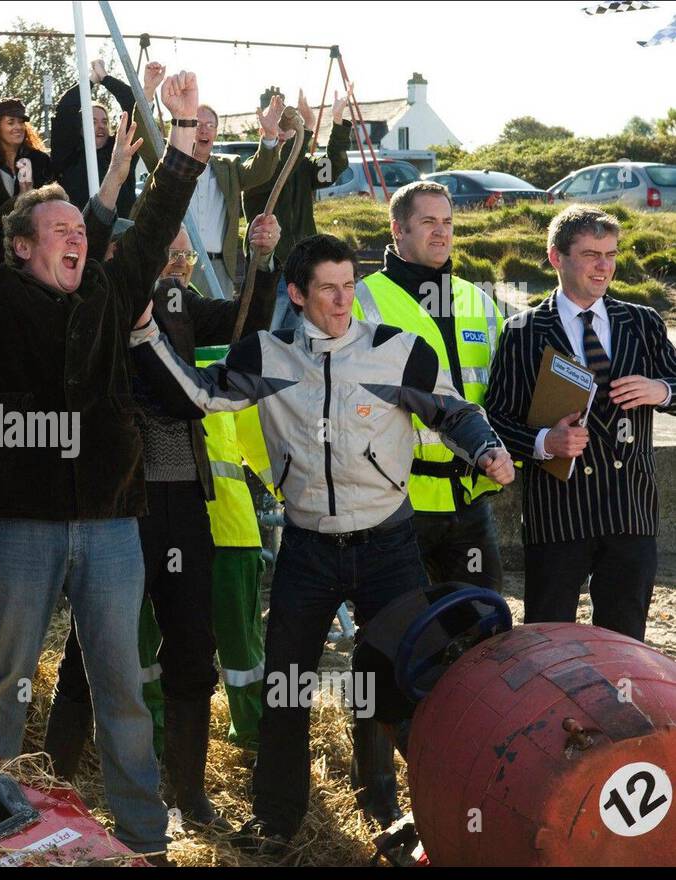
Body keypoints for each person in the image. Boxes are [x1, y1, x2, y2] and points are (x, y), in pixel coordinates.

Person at [128, 233, 514, 851]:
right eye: (328, 290)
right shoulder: (267, 354)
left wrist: (486, 447)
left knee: (409, 683)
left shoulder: (397, 351)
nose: (343, 302)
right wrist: (147, 333)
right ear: (297, 295)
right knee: (285, 689)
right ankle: (277, 823)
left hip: (389, 545)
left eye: (348, 287)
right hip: (308, 549)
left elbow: (451, 411)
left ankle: (425, 821)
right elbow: (197, 395)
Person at [0, 57, 210, 861]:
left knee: (123, 683)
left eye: (82, 232)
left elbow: (156, 219)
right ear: (20, 246)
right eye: (60, 231)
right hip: (22, 521)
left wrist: (188, 136)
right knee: (4, 679)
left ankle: (142, 835)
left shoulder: (109, 293)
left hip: (110, 521)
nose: (78, 239)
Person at [44, 217, 281, 827]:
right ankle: (53, 786)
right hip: (117, 502)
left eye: (171, 252)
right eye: (154, 248)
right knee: (86, 649)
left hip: (180, 503)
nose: (169, 260)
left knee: (192, 648)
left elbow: (245, 323)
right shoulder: (88, 303)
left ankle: (189, 793)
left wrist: (262, 258)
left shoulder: (177, 303)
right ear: (117, 253)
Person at [348, 180, 506, 825]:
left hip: (468, 504)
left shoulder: (478, 300)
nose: (442, 232)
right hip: (397, 504)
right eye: (428, 223)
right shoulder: (363, 298)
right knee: (385, 644)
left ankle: (469, 779)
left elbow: (498, 394)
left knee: (482, 640)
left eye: (448, 222)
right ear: (398, 231)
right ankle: (375, 786)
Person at [486, 205, 676, 643]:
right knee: (548, 640)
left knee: (624, 642)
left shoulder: (643, 322)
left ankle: (613, 713)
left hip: (630, 510)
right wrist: (544, 441)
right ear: (556, 257)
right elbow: (496, 418)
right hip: (558, 512)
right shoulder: (523, 330)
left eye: (611, 254)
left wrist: (659, 391)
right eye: (591, 254)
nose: (604, 266)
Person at [137, 62, 282, 295]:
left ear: (215, 132)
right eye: (197, 124)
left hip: (217, 267)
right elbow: (142, 134)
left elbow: (261, 171)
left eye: (210, 125)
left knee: (214, 327)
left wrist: (270, 137)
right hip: (172, 262)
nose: (203, 130)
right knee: (169, 322)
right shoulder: (169, 162)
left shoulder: (229, 169)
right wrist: (148, 91)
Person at [244, 87, 353, 328]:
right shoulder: (254, 170)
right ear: (263, 130)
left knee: (301, 339)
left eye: (287, 125)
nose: (283, 132)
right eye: (276, 126)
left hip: (303, 271)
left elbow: (331, 169)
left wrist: (337, 122)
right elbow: (279, 170)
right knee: (265, 336)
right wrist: (306, 130)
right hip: (270, 272)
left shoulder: (303, 166)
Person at [51, 59, 138, 217]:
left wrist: (106, 78)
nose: (100, 126)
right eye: (92, 121)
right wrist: (90, 81)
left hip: (117, 233)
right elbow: (65, 110)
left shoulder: (121, 150)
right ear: (80, 128)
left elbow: (134, 105)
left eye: (104, 122)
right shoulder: (69, 155)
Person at [0, 97, 53, 261]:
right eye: (11, 122)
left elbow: (52, 207)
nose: (18, 127)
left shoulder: (40, 161)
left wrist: (34, 198)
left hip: (35, 254)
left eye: (21, 122)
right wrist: (17, 201)